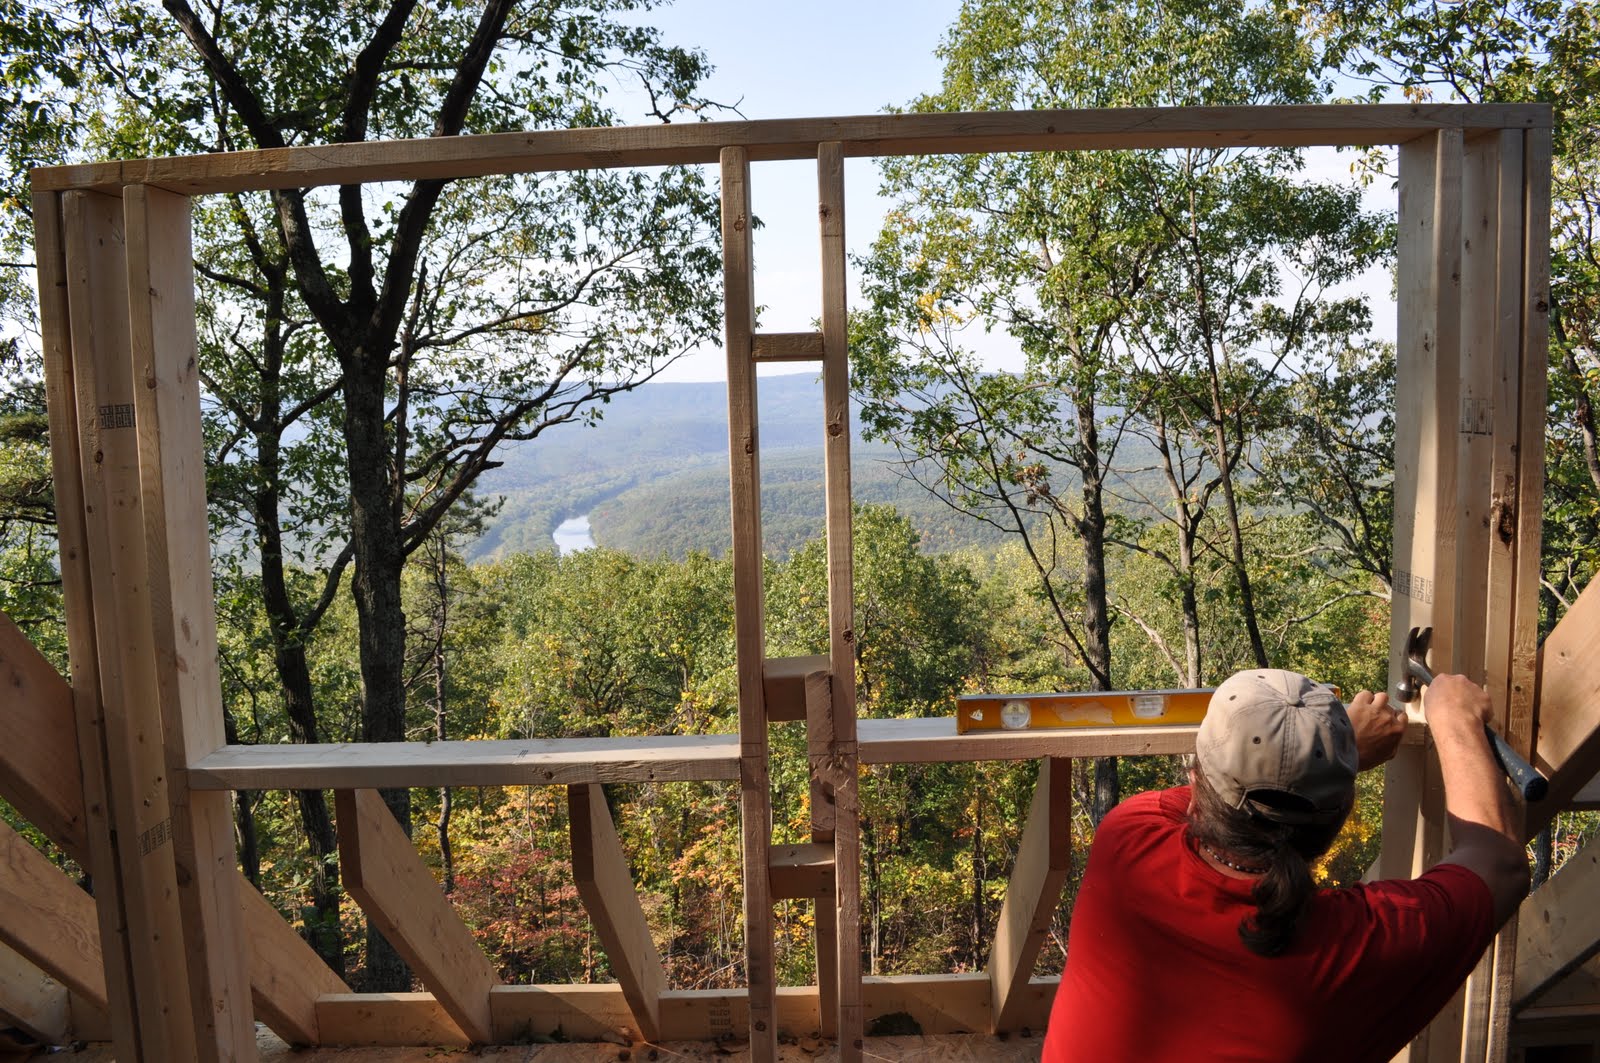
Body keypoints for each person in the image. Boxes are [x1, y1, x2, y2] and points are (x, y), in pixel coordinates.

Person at [1040, 668, 1529, 1062]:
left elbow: (1240, 804)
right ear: (1341, 814)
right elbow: (1499, 863)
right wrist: (1456, 722)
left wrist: (1342, 757)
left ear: (1194, 783)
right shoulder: (1361, 946)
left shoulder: (1128, 836)